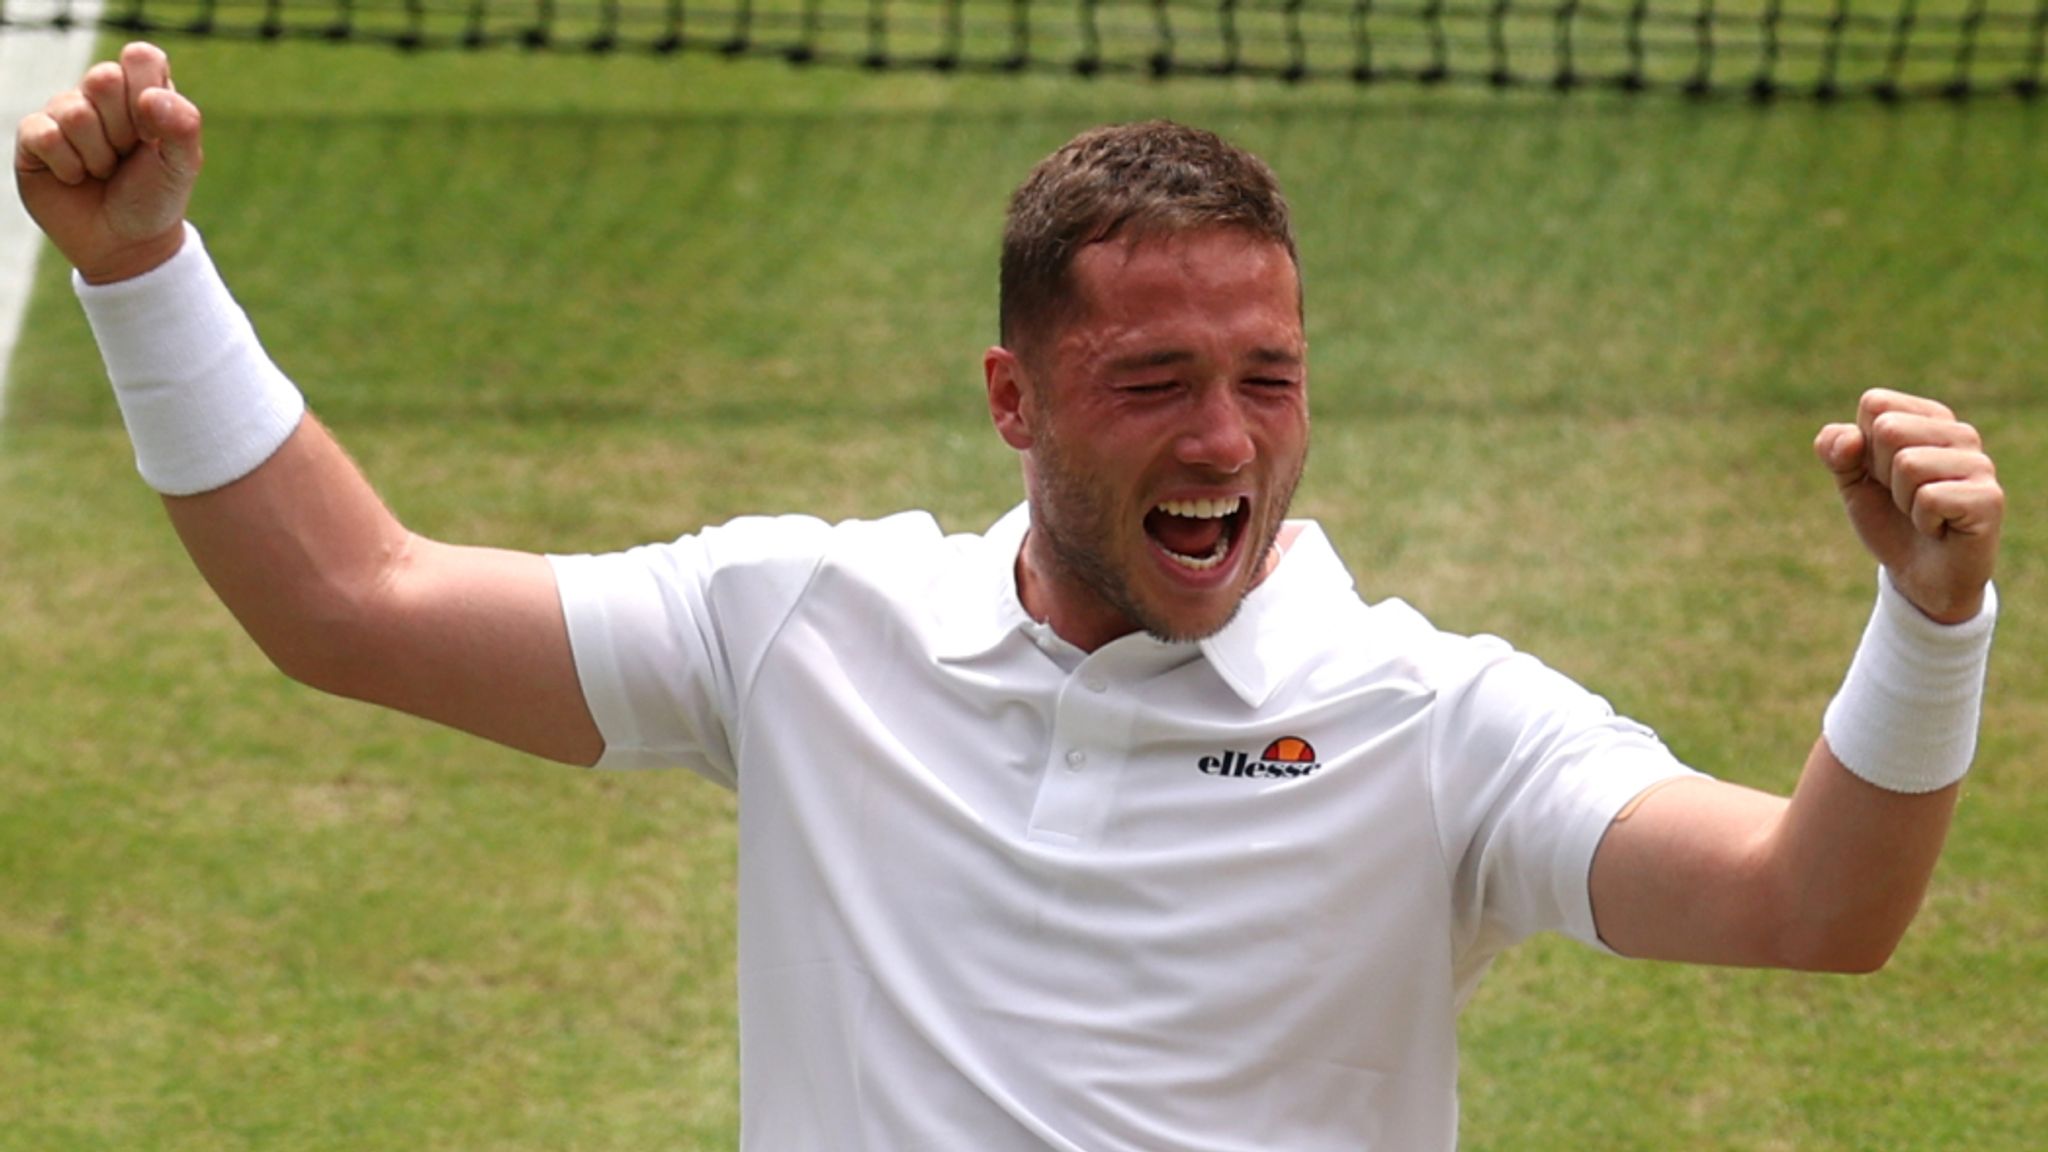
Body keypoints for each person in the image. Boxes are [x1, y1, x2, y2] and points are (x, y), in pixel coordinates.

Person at [15, 43, 2005, 1151]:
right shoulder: (801, 628)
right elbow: (345, 605)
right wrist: (140, 269)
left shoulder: (1434, 723)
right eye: (1155, 383)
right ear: (1013, 398)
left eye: (1267, 378)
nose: (1224, 436)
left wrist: (1928, 628)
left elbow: (1807, 909)